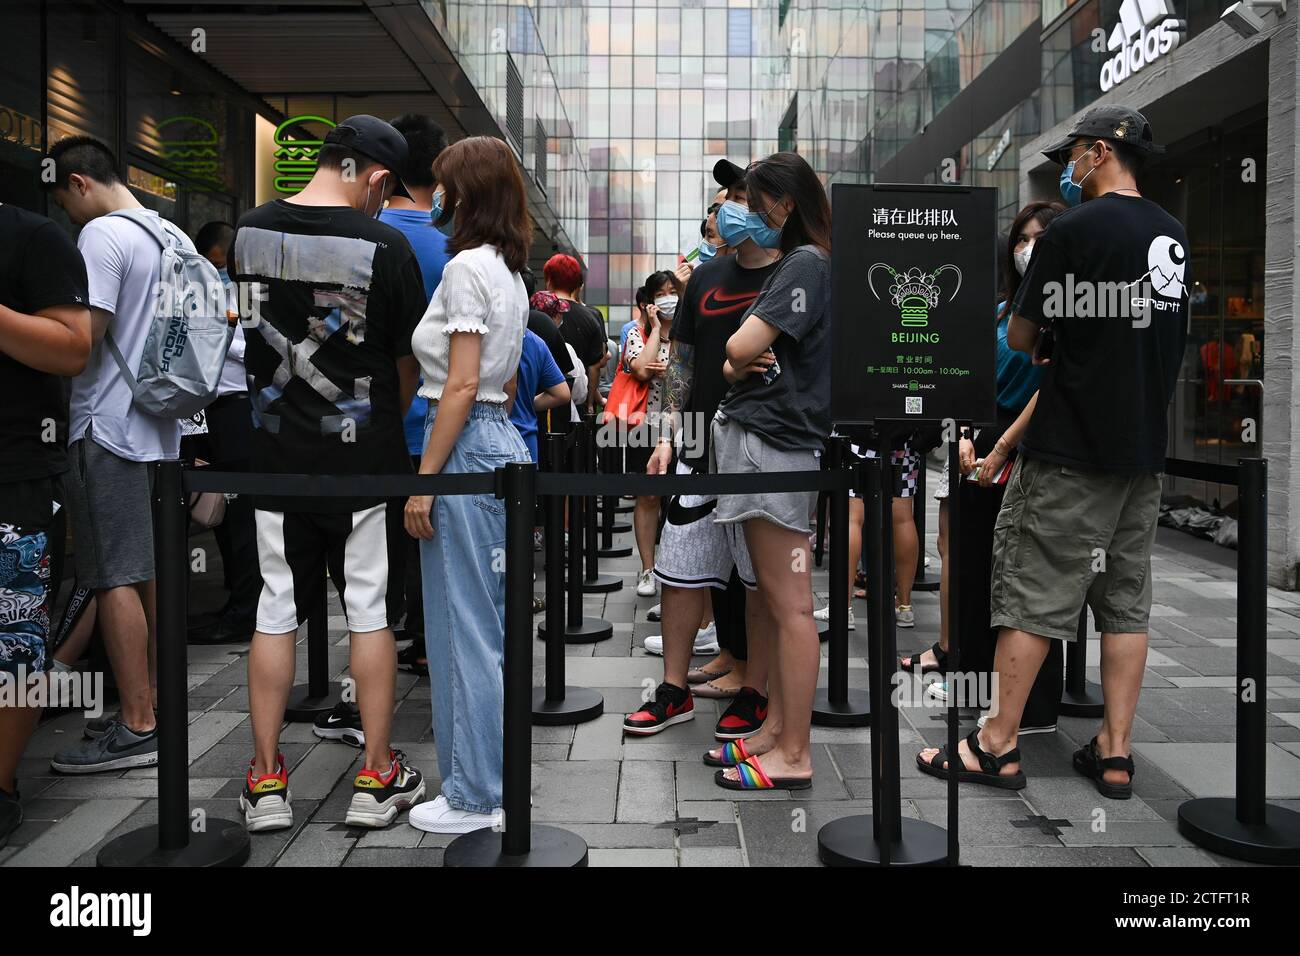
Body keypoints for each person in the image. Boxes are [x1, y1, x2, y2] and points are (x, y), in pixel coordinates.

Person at [917, 107, 1187, 798]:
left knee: (1034, 595)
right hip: (1143, 452)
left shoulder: (1073, 230)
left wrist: (1056, 335)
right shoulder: (1171, 232)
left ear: (1100, 152)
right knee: (1125, 603)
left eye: (1073, 157)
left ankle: (996, 743)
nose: (1068, 170)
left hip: (1072, 449)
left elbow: (1021, 339)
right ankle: (1116, 750)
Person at [230, 115, 426, 830]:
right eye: (386, 190)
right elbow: (408, 362)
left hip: (275, 454)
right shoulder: (385, 243)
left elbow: (244, 330)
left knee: (276, 609)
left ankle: (267, 781)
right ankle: (376, 775)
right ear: (374, 179)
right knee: (369, 611)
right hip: (364, 462)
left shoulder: (248, 231)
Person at [625, 159, 782, 741]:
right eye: (729, 197)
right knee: (683, 569)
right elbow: (681, 370)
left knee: (761, 578)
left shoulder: (795, 275)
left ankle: (756, 690)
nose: (733, 207)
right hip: (696, 448)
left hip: (762, 450)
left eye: (745, 196)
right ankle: (673, 688)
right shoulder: (706, 279)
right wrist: (665, 437)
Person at [403, 135, 533, 834]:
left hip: (463, 447)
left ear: (466, 191)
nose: (436, 195)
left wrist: (424, 482)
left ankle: (475, 795)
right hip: (500, 441)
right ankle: (489, 783)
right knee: (490, 624)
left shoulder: (464, 270)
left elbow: (457, 382)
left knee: (463, 628)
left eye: (443, 183)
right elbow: (503, 383)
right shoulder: (511, 272)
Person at [44, 136, 181, 774]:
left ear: (78, 183)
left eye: (64, 201)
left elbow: (81, 340)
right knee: (148, 570)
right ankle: (155, 705)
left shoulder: (102, 236)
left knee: (114, 574)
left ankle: (137, 722)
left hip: (107, 426)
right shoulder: (169, 234)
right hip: (160, 429)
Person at [906, 201, 1065, 737]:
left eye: (1040, 237)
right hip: (979, 445)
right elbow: (968, 380)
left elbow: (1052, 390)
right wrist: (967, 438)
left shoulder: (1063, 310)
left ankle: (1029, 704)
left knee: (1019, 579)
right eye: (1022, 238)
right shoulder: (1004, 312)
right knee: (971, 565)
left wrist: (1002, 449)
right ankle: (971, 679)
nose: (1028, 247)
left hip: (1027, 450)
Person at [709, 152, 832, 791]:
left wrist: (737, 358)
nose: (745, 214)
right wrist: (735, 363)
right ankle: (777, 732)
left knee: (790, 608)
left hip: (774, 445)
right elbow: (734, 366)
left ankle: (795, 753)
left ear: (784, 205)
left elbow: (739, 348)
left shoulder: (806, 263)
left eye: (755, 204)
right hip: (765, 442)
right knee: (778, 600)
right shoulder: (799, 264)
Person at [0, 202, 91, 845]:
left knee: (14, 642)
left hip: (14, 473)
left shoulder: (31, 237)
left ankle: (0, 784)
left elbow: (72, 347)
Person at [376, 113, 452, 683]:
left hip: (369, 420)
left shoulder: (361, 235)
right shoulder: (455, 246)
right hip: (436, 421)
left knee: (373, 550)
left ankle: (373, 644)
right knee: (432, 544)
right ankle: (427, 642)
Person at [187, 220, 260, 646]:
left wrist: (221, 332)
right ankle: (236, 602)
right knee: (219, 515)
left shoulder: (249, 297)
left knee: (241, 521)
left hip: (238, 413)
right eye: (212, 266)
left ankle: (246, 611)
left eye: (224, 266)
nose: (219, 273)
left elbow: (251, 352)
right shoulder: (197, 295)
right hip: (206, 415)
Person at [623, 269, 678, 598]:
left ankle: (673, 569)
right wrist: (656, 329)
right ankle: (647, 569)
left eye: (673, 291)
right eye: (661, 293)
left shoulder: (689, 333)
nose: (668, 297)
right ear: (649, 302)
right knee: (648, 496)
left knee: (677, 496)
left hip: (685, 425)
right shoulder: (636, 333)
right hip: (644, 426)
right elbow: (641, 369)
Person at [543, 253, 604, 412]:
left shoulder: (539, 314)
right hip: (576, 404)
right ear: (577, 284)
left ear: (549, 280)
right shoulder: (591, 318)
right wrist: (590, 403)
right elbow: (594, 367)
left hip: (542, 401)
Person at [509, 327, 570, 462]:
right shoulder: (536, 342)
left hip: (488, 437)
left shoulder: (486, 334)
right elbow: (562, 394)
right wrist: (526, 404)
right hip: (527, 439)